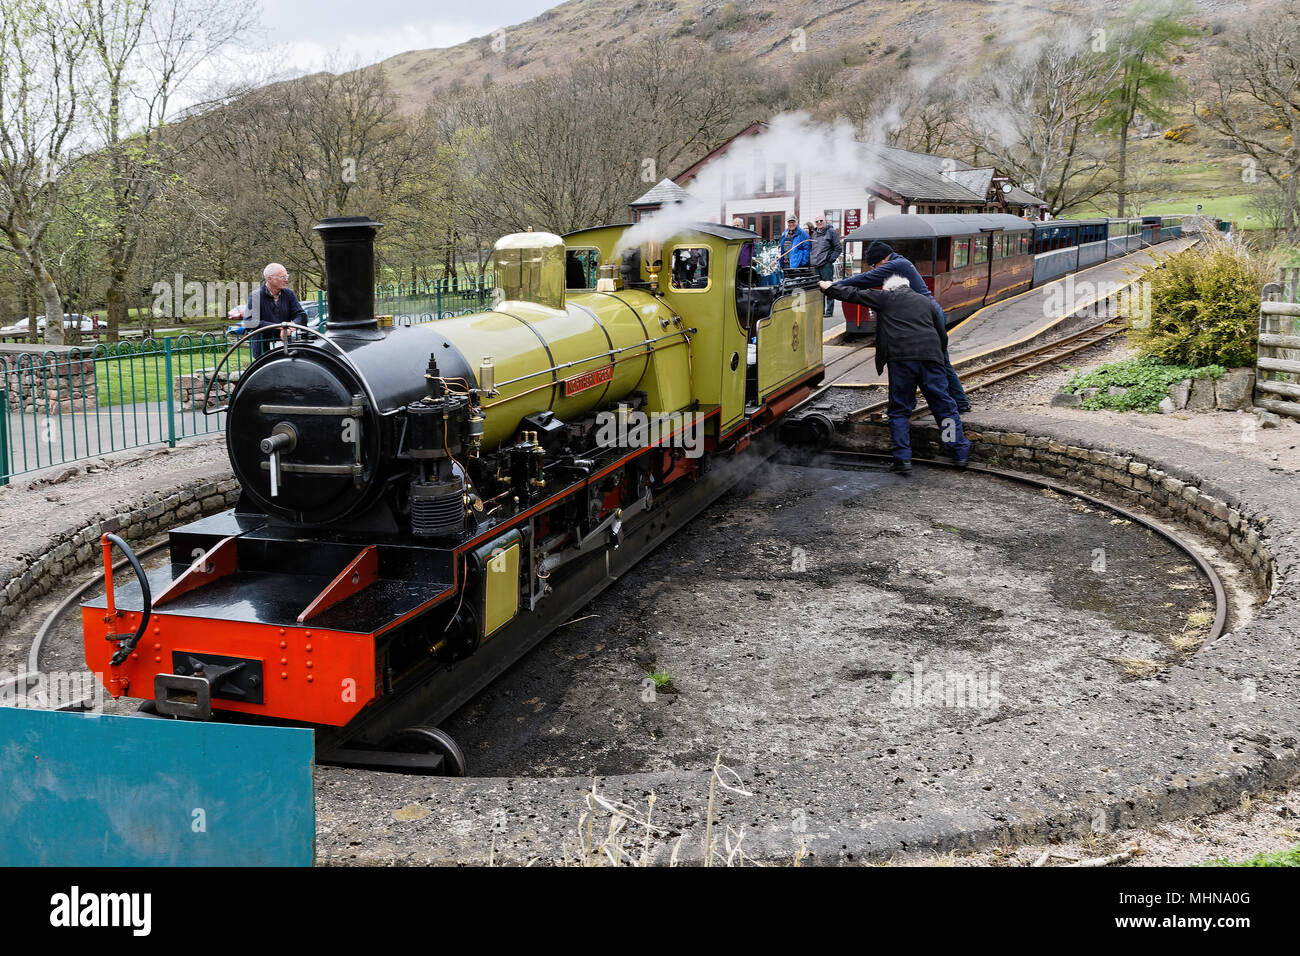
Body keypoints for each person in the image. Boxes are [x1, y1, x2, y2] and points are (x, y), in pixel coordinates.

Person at [820, 274, 971, 474]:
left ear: (889, 289)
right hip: (930, 359)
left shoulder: (887, 298)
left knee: (899, 409)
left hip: (901, 361)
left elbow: (854, 294)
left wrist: (828, 288)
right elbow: (941, 333)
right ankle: (958, 453)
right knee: (944, 406)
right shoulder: (925, 301)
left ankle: (902, 459)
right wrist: (939, 358)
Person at [838, 240, 971, 413]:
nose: (875, 269)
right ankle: (948, 402)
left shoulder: (896, 264)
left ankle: (960, 403)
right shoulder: (899, 262)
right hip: (928, 313)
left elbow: (865, 279)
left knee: (941, 362)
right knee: (927, 362)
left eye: (875, 264)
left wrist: (835, 285)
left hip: (929, 314)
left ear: (883, 259)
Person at [230, 263, 308, 359]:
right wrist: (280, 327)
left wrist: (290, 327)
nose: (286, 279)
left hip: (286, 346)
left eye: (287, 276)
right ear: (269, 278)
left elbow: (301, 315)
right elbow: (250, 321)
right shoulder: (255, 296)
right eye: (282, 277)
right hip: (262, 349)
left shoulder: (289, 294)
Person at [807, 216, 843, 318]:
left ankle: (829, 311)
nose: (819, 222)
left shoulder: (831, 232)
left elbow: (838, 248)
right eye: (816, 221)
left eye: (821, 221)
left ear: (825, 221)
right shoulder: (813, 233)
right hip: (815, 265)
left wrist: (830, 260)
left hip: (825, 265)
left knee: (828, 287)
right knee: (818, 289)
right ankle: (820, 311)